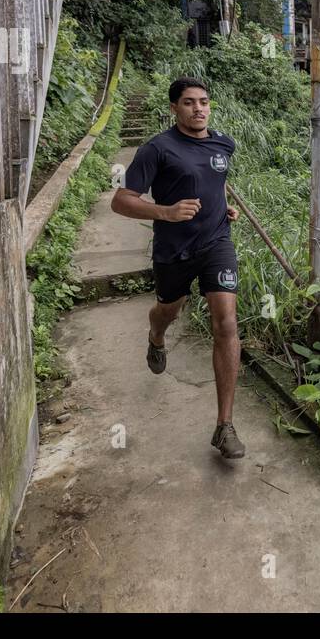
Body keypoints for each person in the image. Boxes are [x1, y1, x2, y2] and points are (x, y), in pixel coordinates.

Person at [111, 77, 245, 459]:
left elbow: (214, 181)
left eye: (203, 101)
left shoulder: (223, 143)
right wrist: (166, 212)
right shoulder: (156, 149)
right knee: (169, 309)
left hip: (217, 244)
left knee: (226, 322)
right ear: (174, 108)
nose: (198, 109)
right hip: (174, 250)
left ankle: (224, 426)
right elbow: (121, 202)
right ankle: (156, 335)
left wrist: (222, 207)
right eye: (188, 103)